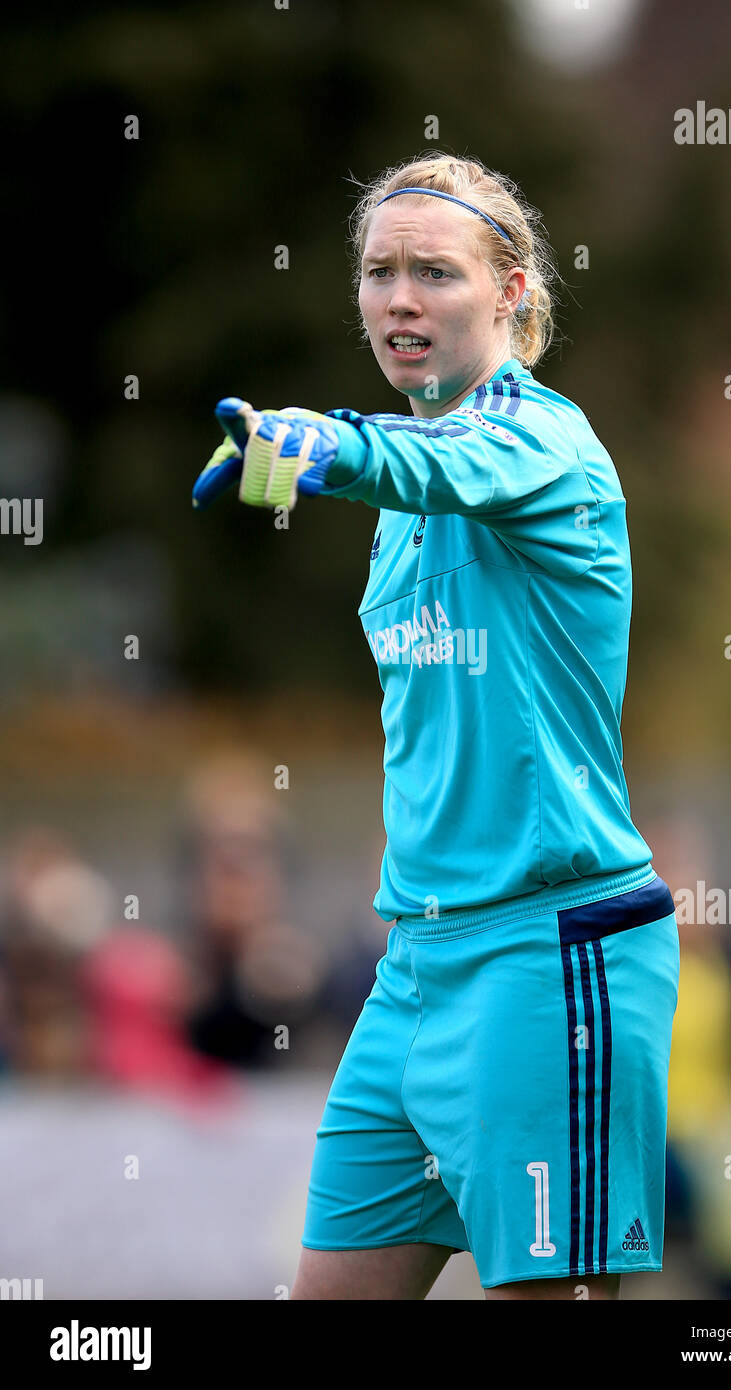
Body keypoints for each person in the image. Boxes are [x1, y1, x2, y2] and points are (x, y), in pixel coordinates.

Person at [192, 153, 680, 1301]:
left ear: (510, 290)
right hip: (413, 967)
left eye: (434, 273)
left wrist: (324, 443)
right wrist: (294, 464)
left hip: (547, 954)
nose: (399, 300)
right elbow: (409, 466)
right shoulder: (407, 492)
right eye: (377, 274)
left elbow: (428, 461)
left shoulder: (540, 442)